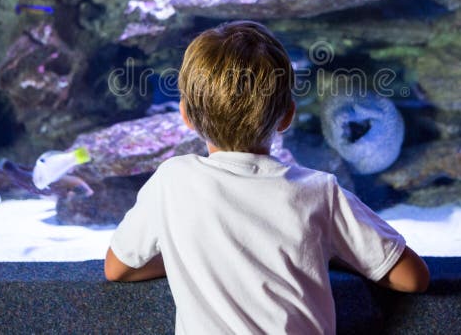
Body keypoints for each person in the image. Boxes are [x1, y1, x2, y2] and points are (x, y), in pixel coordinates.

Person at [105, 20, 429, 334]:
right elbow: (413, 277)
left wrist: (187, 257)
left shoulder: (171, 182)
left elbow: (117, 268)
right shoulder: (319, 191)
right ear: (288, 115)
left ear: (186, 115)